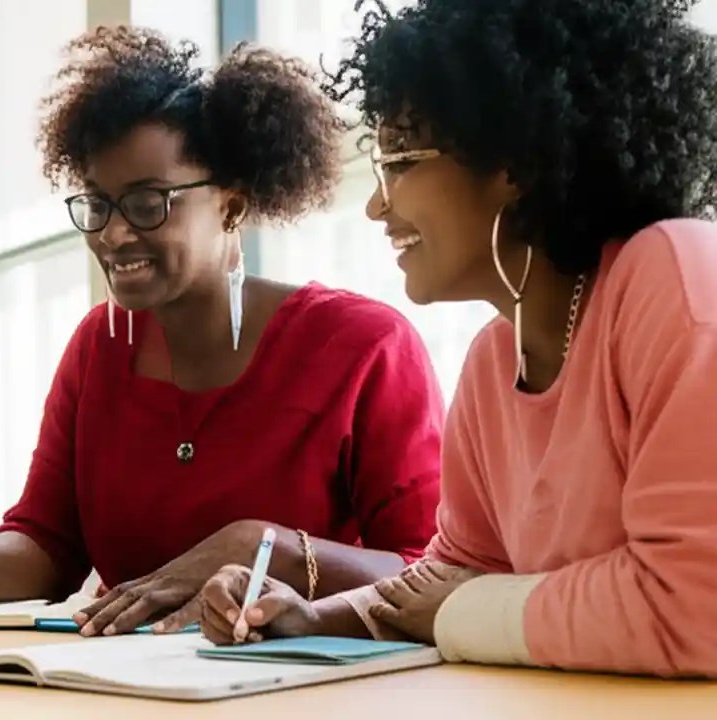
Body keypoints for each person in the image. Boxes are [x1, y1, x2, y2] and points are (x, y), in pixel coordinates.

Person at [197, 0, 717, 678]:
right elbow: (456, 576)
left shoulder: (675, 277)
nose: (378, 205)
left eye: (401, 163)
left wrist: (465, 607)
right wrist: (304, 616)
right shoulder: (493, 359)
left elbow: (695, 608)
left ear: (513, 158)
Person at [0, 25, 446, 637]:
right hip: (121, 687)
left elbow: (427, 571)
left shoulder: (365, 347)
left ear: (232, 207)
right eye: (98, 203)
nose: (112, 234)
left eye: (148, 203)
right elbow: (48, 543)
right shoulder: (98, 348)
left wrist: (262, 546)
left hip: (293, 686)